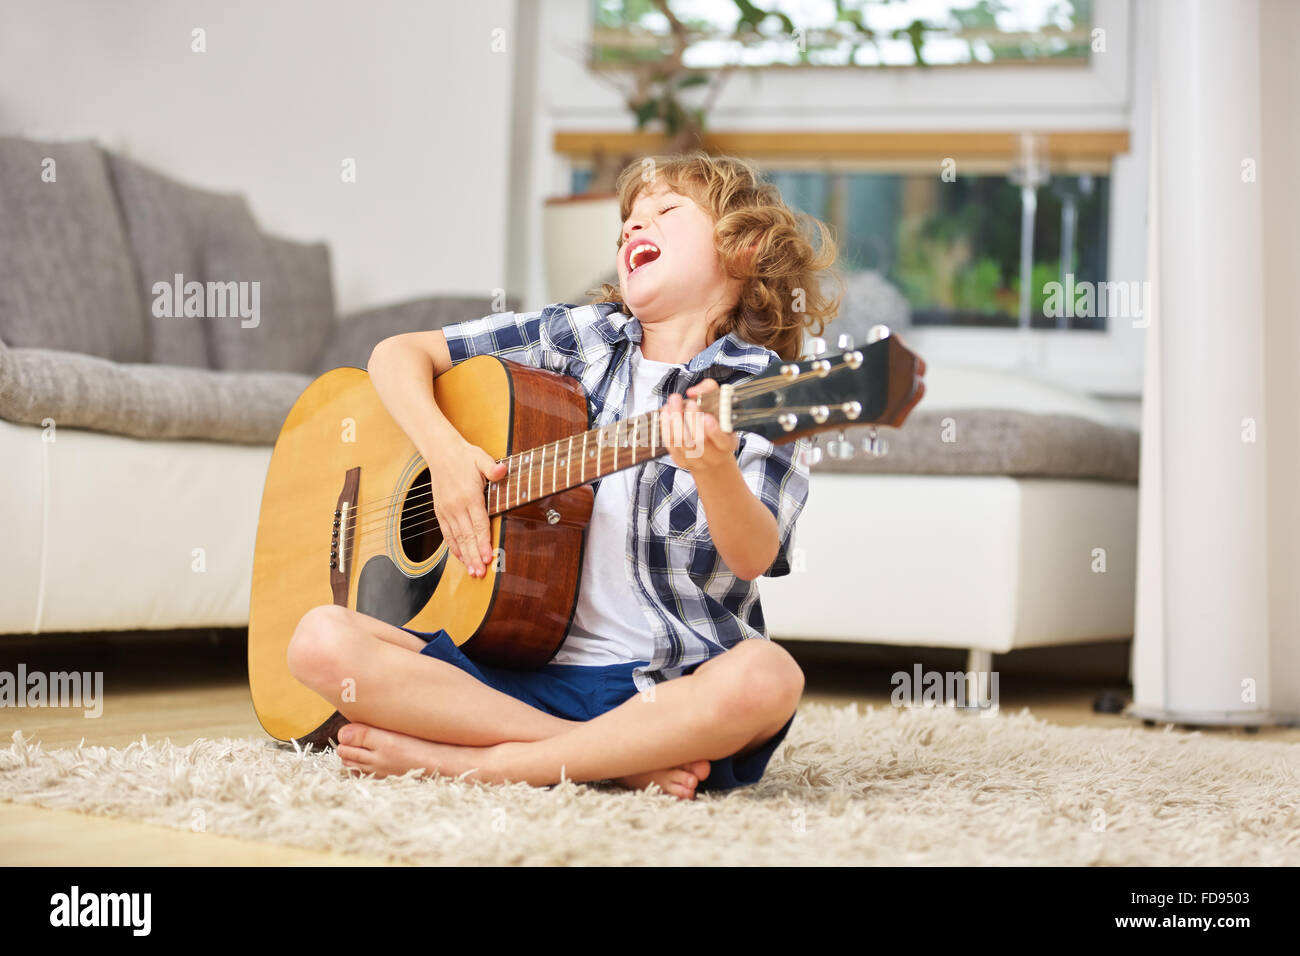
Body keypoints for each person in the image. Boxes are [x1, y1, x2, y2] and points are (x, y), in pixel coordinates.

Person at [286, 151, 842, 800]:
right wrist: (443, 455)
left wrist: (715, 469)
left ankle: (491, 765)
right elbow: (397, 354)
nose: (635, 227)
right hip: (519, 671)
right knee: (318, 642)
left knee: (769, 678)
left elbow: (753, 556)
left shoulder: (764, 390)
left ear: (744, 250)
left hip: (664, 694)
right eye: (629, 222)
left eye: (665, 212)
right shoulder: (582, 337)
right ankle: (603, 761)